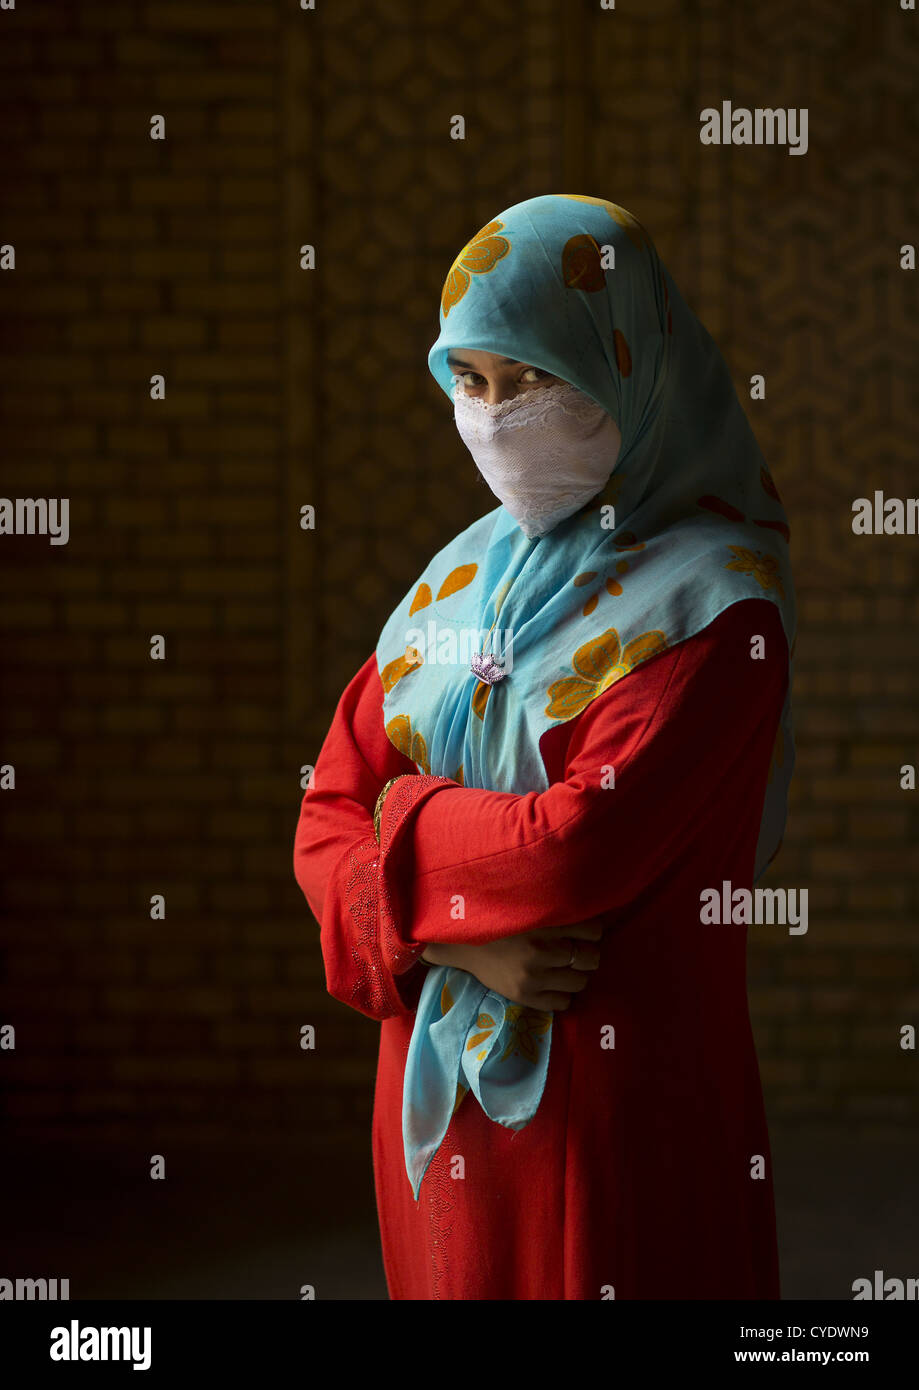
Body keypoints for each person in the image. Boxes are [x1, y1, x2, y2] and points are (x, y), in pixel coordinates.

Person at [292, 193, 796, 1300]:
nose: (495, 415)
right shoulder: (458, 577)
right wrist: (456, 940)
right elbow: (324, 810)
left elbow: (574, 845)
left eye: (530, 379)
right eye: (470, 381)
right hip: (432, 1107)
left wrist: (400, 823)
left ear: (632, 362)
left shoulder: (715, 606)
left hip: (614, 1106)